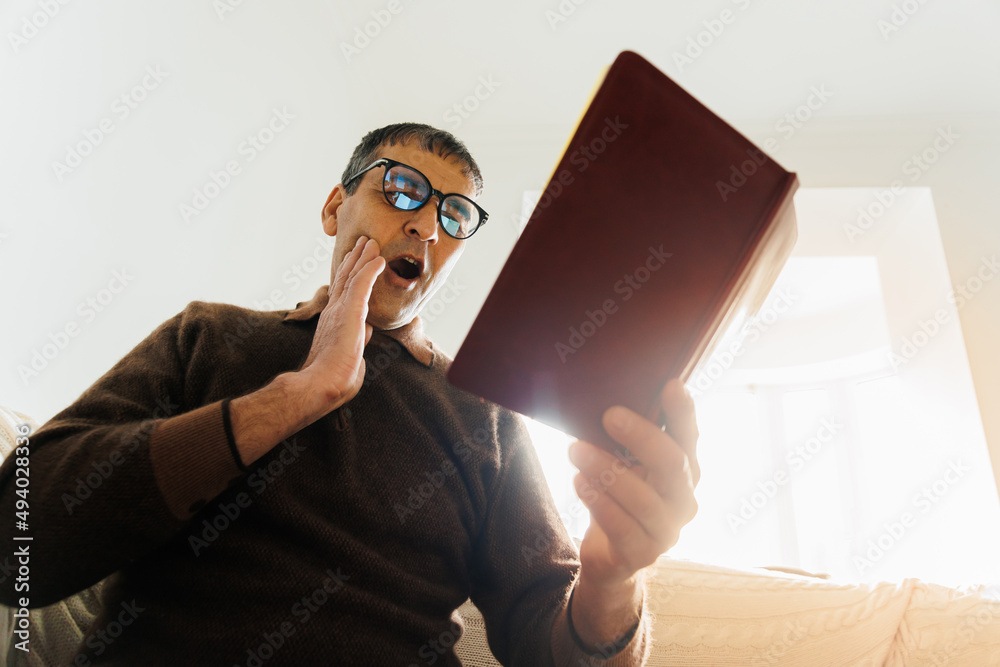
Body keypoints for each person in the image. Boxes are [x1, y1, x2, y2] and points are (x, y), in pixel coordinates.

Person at [0, 123, 700, 666]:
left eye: (454, 216)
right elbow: (16, 536)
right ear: (336, 207)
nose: (426, 225)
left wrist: (612, 579)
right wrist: (294, 397)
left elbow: (554, 645)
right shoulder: (209, 337)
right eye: (401, 190)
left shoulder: (482, 413)